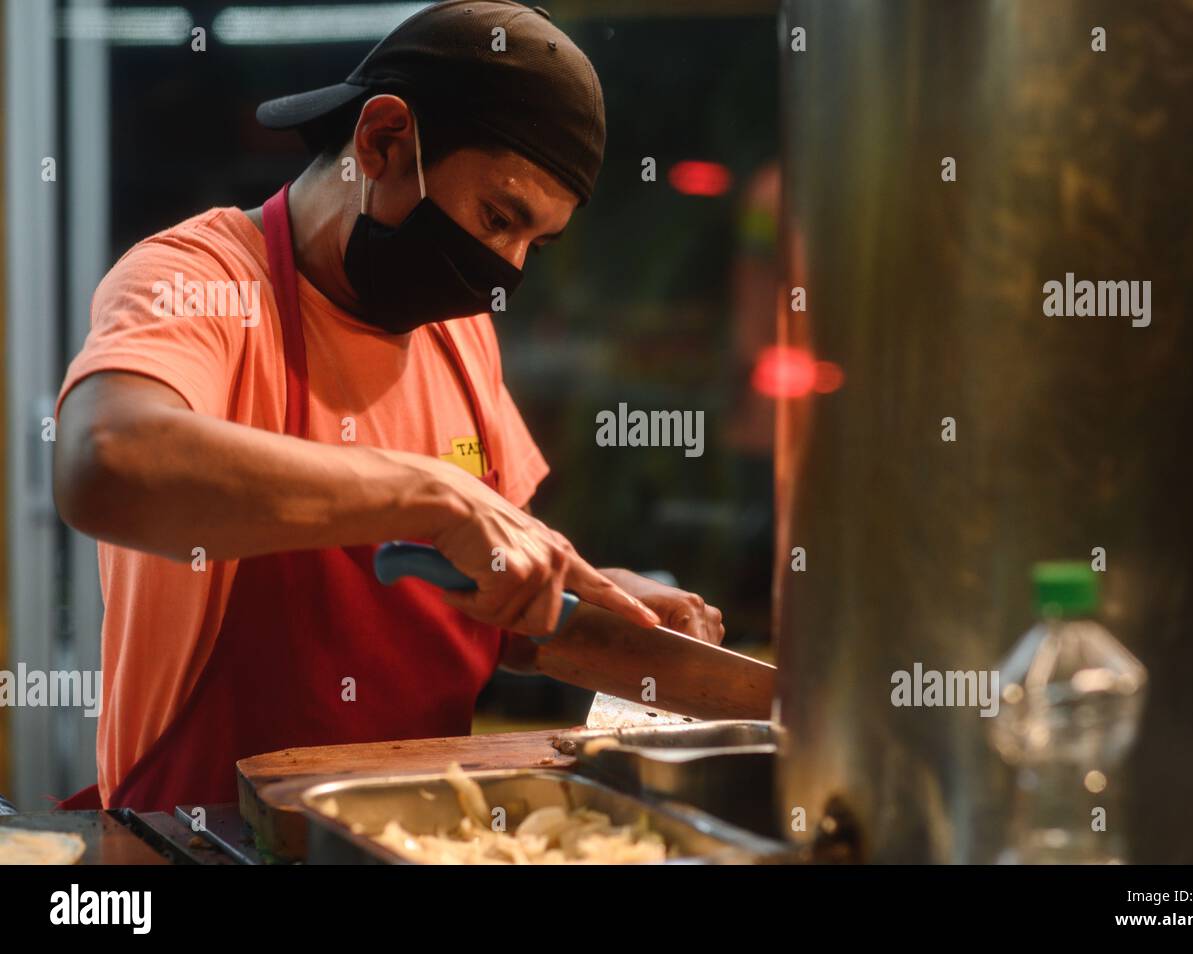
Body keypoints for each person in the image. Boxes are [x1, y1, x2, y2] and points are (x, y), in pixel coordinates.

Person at [51, 0, 723, 811]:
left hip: (418, 832)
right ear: (382, 141)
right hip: (211, 835)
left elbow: (485, 592)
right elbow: (105, 462)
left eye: (533, 246)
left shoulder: (460, 331)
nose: (504, 268)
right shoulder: (203, 280)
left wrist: (604, 606)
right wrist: (429, 495)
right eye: (498, 218)